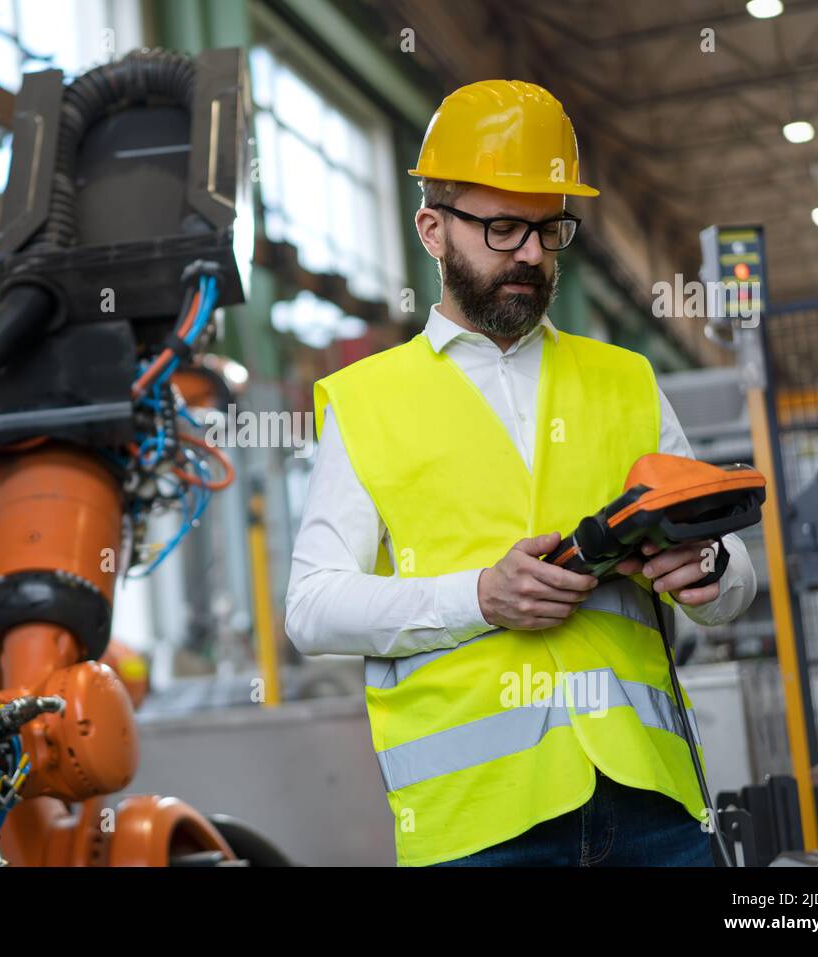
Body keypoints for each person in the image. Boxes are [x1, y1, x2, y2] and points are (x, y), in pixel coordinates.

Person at [284, 80, 756, 867]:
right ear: (432, 230)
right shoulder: (368, 401)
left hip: (652, 810)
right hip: (478, 827)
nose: (532, 254)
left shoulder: (625, 379)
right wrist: (477, 597)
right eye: (503, 227)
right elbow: (311, 606)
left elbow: (732, 576)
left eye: (549, 229)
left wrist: (705, 569)